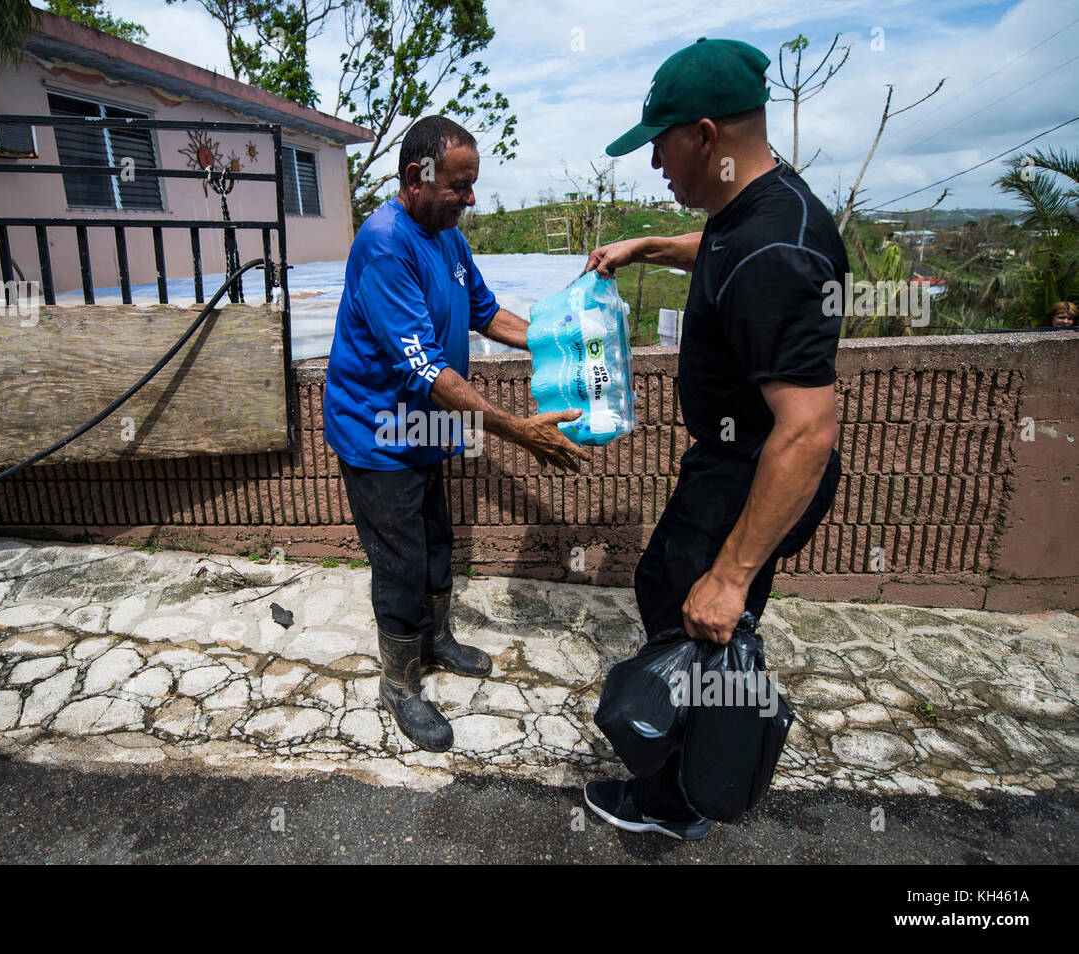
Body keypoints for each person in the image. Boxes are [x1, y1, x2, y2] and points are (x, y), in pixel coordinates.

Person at [580, 38, 845, 840]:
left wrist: (730, 577)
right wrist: (650, 246)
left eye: (659, 144)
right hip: (725, 462)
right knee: (667, 584)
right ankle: (695, 767)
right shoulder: (758, 206)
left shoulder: (774, 249)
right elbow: (722, 249)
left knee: (700, 618)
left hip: (750, 471)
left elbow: (806, 431)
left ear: (703, 136)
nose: (654, 162)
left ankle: (676, 803)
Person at [324, 115, 593, 752]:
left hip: (425, 428)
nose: (470, 199)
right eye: (459, 185)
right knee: (400, 561)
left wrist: (561, 343)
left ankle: (436, 640)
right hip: (378, 432)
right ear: (417, 177)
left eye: (473, 184)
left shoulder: (447, 238)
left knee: (437, 539)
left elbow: (486, 312)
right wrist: (518, 431)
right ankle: (399, 683)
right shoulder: (385, 242)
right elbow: (427, 369)